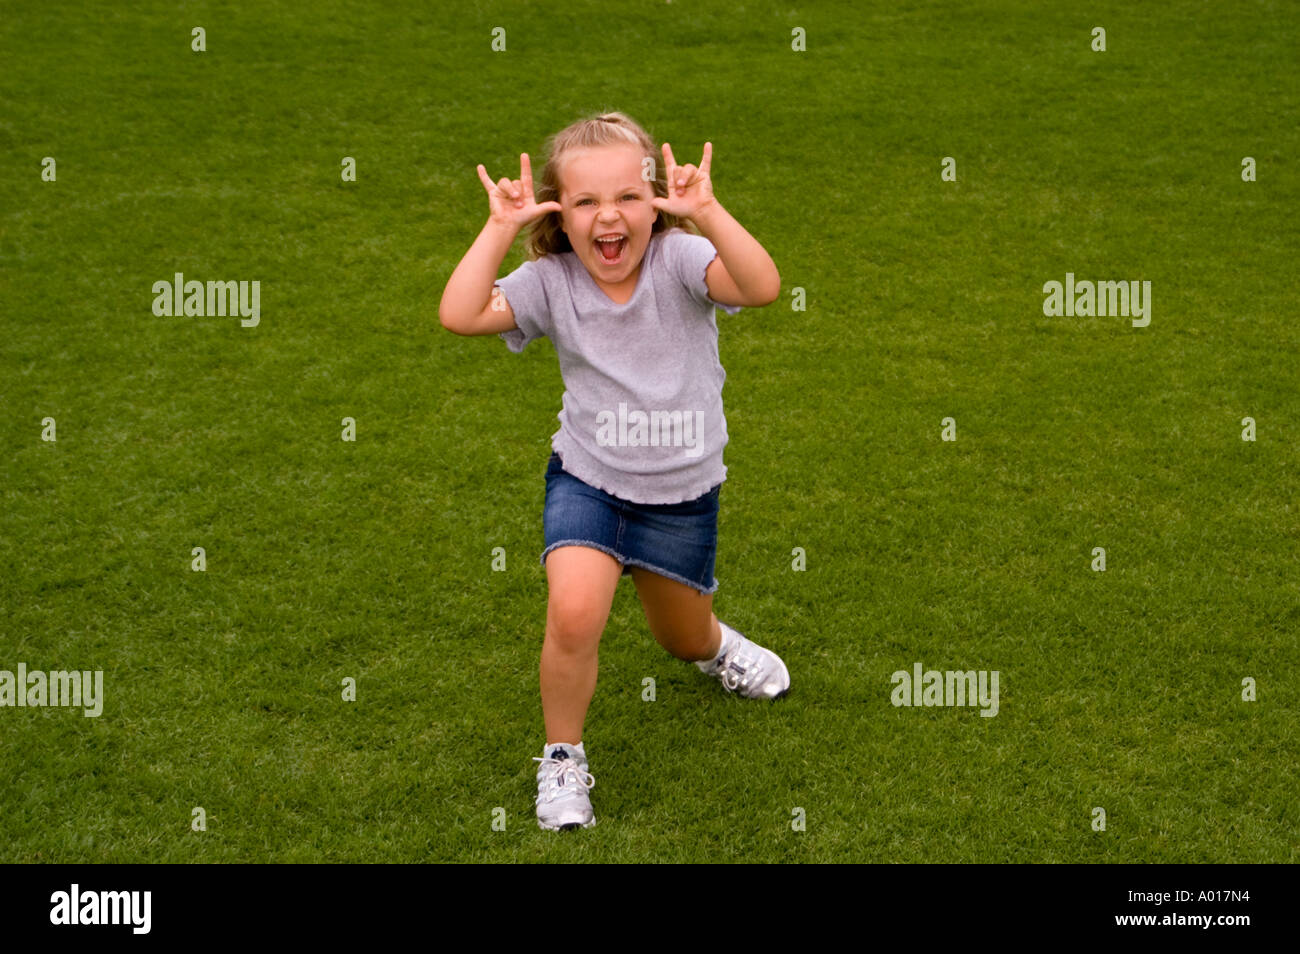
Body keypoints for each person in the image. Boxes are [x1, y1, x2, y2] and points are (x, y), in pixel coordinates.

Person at [438, 111, 789, 831]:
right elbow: (459, 313)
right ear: (558, 216)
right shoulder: (548, 281)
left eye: (627, 197)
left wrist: (710, 212)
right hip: (589, 480)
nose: (609, 217)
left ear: (655, 203)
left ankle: (716, 645)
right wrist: (497, 228)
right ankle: (562, 758)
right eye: (586, 201)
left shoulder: (681, 260)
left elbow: (760, 287)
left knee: (680, 639)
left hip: (679, 495)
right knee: (573, 615)